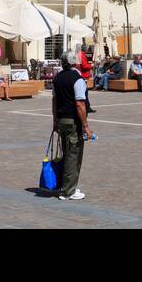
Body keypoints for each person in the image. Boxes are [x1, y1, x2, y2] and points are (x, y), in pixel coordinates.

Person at [51, 48, 93, 201]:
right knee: (73, 155)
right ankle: (68, 191)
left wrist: (55, 120)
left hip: (61, 119)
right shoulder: (77, 79)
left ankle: (67, 185)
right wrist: (86, 126)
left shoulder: (58, 78)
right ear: (75, 62)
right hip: (72, 121)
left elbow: (54, 101)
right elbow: (80, 103)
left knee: (67, 153)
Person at [77, 43, 96, 114]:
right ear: (85, 49)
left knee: (84, 93)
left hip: (82, 76)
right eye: (87, 48)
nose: (88, 49)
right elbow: (85, 66)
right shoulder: (81, 55)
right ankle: (87, 108)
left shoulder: (79, 54)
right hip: (83, 76)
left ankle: (87, 107)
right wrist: (92, 66)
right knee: (85, 93)